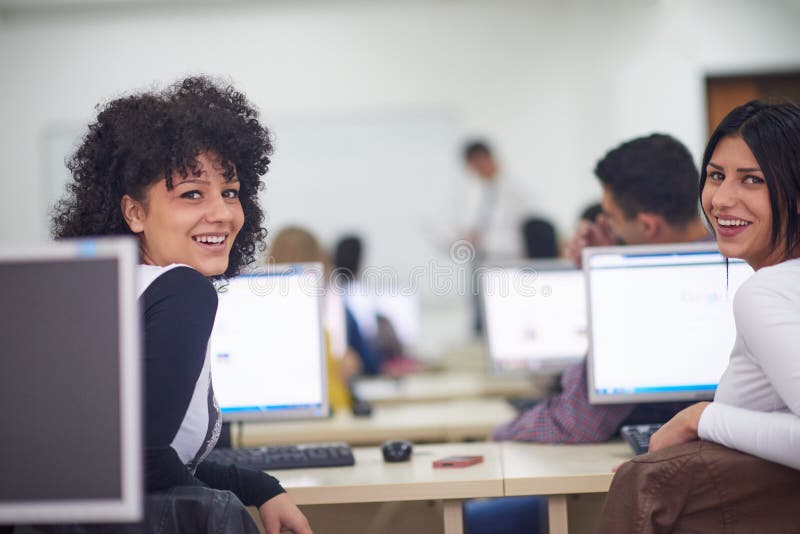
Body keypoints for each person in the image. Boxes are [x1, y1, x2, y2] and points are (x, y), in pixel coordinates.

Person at [51, 76, 312, 534]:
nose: (223, 213)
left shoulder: (104, 290)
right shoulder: (182, 291)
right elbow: (140, 462)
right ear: (134, 212)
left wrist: (257, 485)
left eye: (230, 192)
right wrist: (236, 496)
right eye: (192, 193)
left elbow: (137, 458)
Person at [599, 101, 800, 533]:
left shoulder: (764, 293)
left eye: (753, 180)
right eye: (715, 176)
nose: (722, 199)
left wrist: (699, 417)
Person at [493, 133, 710, 444]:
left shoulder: (647, 295)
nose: (606, 226)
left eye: (611, 219)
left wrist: (499, 432)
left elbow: (577, 422)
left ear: (648, 226)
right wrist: (607, 266)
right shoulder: (743, 261)